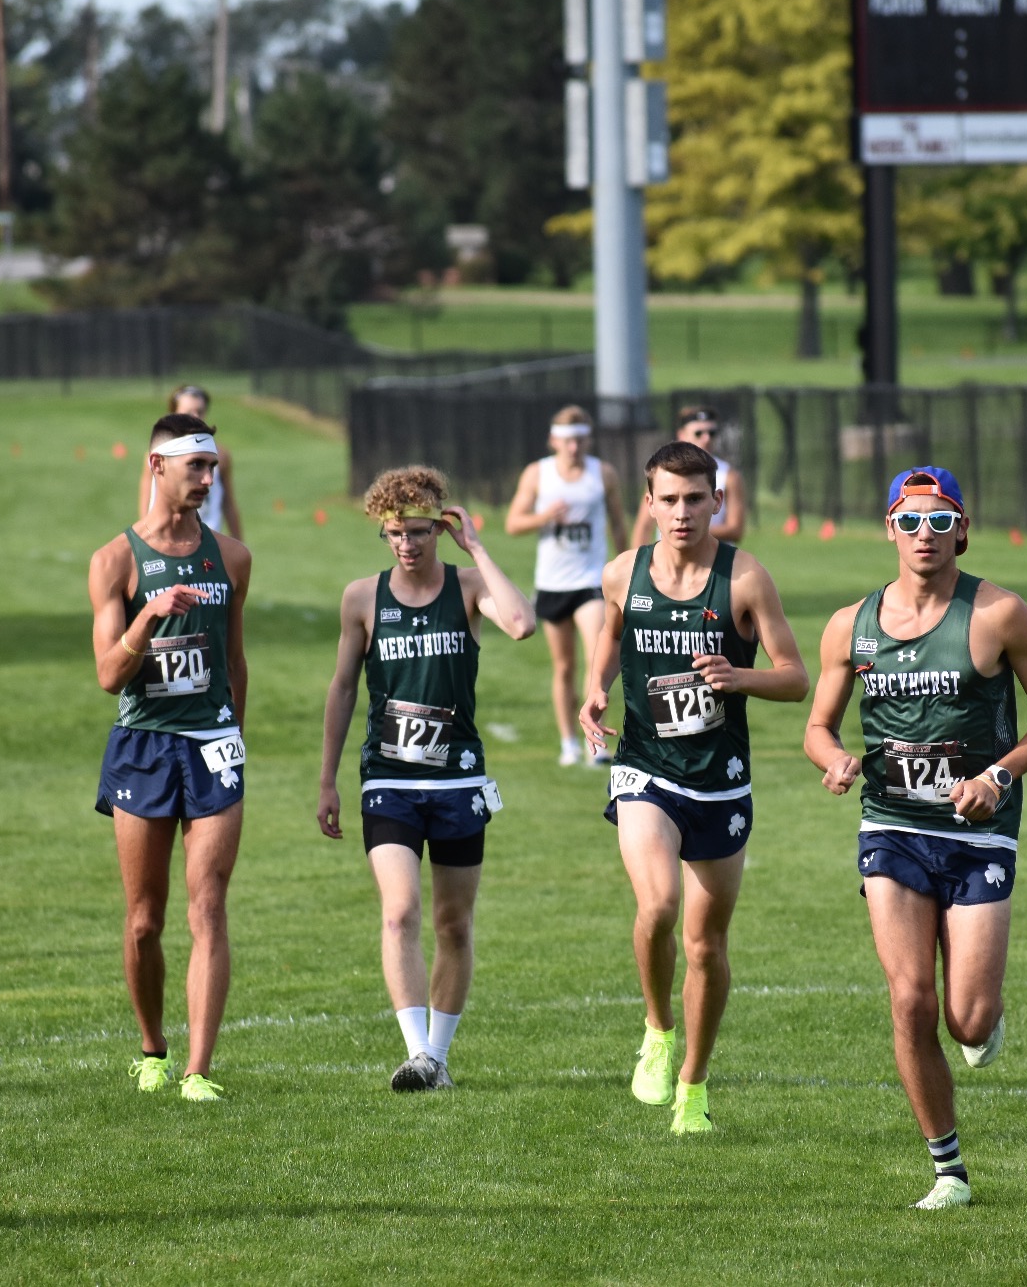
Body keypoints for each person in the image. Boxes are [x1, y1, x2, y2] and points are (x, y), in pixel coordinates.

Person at [802, 467, 1027, 1210]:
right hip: (891, 825)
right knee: (910, 999)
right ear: (888, 529)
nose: (925, 535)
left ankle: (981, 1009)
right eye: (910, 521)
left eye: (939, 520)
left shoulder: (998, 613)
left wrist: (999, 777)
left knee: (969, 1017)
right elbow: (818, 725)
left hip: (978, 835)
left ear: (962, 529)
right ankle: (948, 1169)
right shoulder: (849, 626)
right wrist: (833, 761)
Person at [579, 441, 808, 1135]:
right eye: (668, 499)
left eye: (694, 499)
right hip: (646, 767)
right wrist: (595, 690)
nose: (681, 512)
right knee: (658, 904)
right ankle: (657, 1027)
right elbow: (609, 648)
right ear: (648, 503)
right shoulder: (622, 572)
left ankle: (694, 1086)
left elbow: (796, 677)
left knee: (707, 945)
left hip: (719, 781)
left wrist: (739, 678)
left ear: (718, 501)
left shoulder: (745, 579)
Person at [316, 467, 535, 1091]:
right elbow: (341, 687)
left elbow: (520, 624)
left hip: (459, 782)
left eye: (417, 532)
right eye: (394, 534)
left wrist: (479, 550)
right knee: (399, 911)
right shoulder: (362, 597)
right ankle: (417, 1053)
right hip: (388, 778)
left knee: (453, 925)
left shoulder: (467, 589)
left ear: (438, 527)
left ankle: (437, 1056)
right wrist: (328, 781)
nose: (407, 545)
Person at [89, 413, 252, 1101]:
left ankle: (197, 1070)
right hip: (144, 743)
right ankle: (153, 1046)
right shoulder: (114, 560)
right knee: (144, 919)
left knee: (207, 906)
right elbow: (105, 674)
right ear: (158, 466)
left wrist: (235, 734)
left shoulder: (233, 557)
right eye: (198, 468)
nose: (210, 481)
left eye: (213, 468)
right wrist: (149, 614)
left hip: (213, 745)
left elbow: (236, 658)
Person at [507, 406, 629, 767]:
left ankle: (596, 745)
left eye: (579, 439)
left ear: (588, 439)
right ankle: (568, 742)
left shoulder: (602, 473)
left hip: (591, 581)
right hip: (552, 583)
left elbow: (620, 523)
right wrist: (545, 516)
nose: (573, 447)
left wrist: (625, 569)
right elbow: (514, 522)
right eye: (566, 439)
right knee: (564, 668)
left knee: (598, 660)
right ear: (553, 440)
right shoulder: (538, 474)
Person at [138, 384, 242, 542]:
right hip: (167, 541)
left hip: (208, 543)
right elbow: (147, 502)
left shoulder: (221, 455)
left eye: (200, 411)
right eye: (188, 412)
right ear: (174, 413)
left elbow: (228, 503)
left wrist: (239, 543)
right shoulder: (156, 456)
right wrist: (145, 539)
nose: (195, 417)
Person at [631, 406, 746, 545]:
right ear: (682, 435)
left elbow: (735, 529)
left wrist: (689, 530)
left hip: (714, 562)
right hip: (667, 562)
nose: (707, 438)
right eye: (698, 433)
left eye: (712, 433)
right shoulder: (663, 472)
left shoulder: (728, 475)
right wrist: (637, 562)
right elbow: (644, 526)